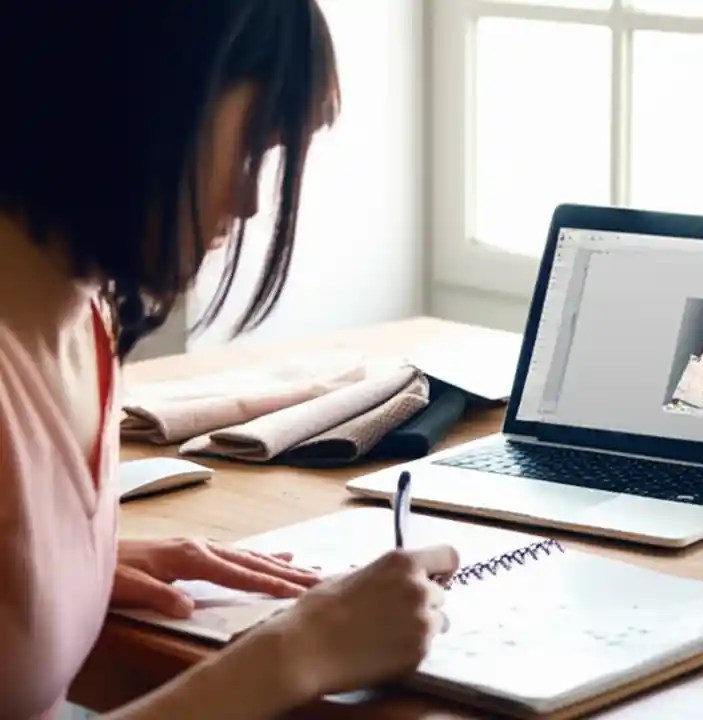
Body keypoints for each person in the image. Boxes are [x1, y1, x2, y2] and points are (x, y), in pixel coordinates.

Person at [0, 3, 459, 718]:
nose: (248, 202)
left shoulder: (88, 320)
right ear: (138, 103)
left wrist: (68, 568)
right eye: (250, 150)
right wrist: (297, 653)